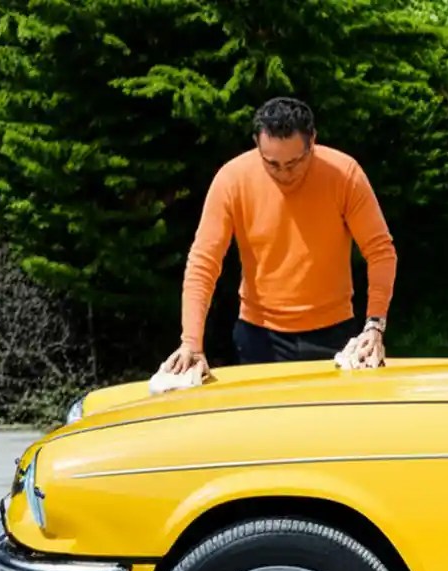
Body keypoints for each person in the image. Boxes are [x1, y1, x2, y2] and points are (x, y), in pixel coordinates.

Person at [160, 97, 397, 377]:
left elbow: (380, 250)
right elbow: (204, 262)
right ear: (256, 145)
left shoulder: (344, 174)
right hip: (259, 337)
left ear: (313, 143)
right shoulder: (232, 179)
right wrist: (191, 343)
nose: (284, 173)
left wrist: (374, 325)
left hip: (334, 334)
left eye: (295, 162)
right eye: (271, 164)